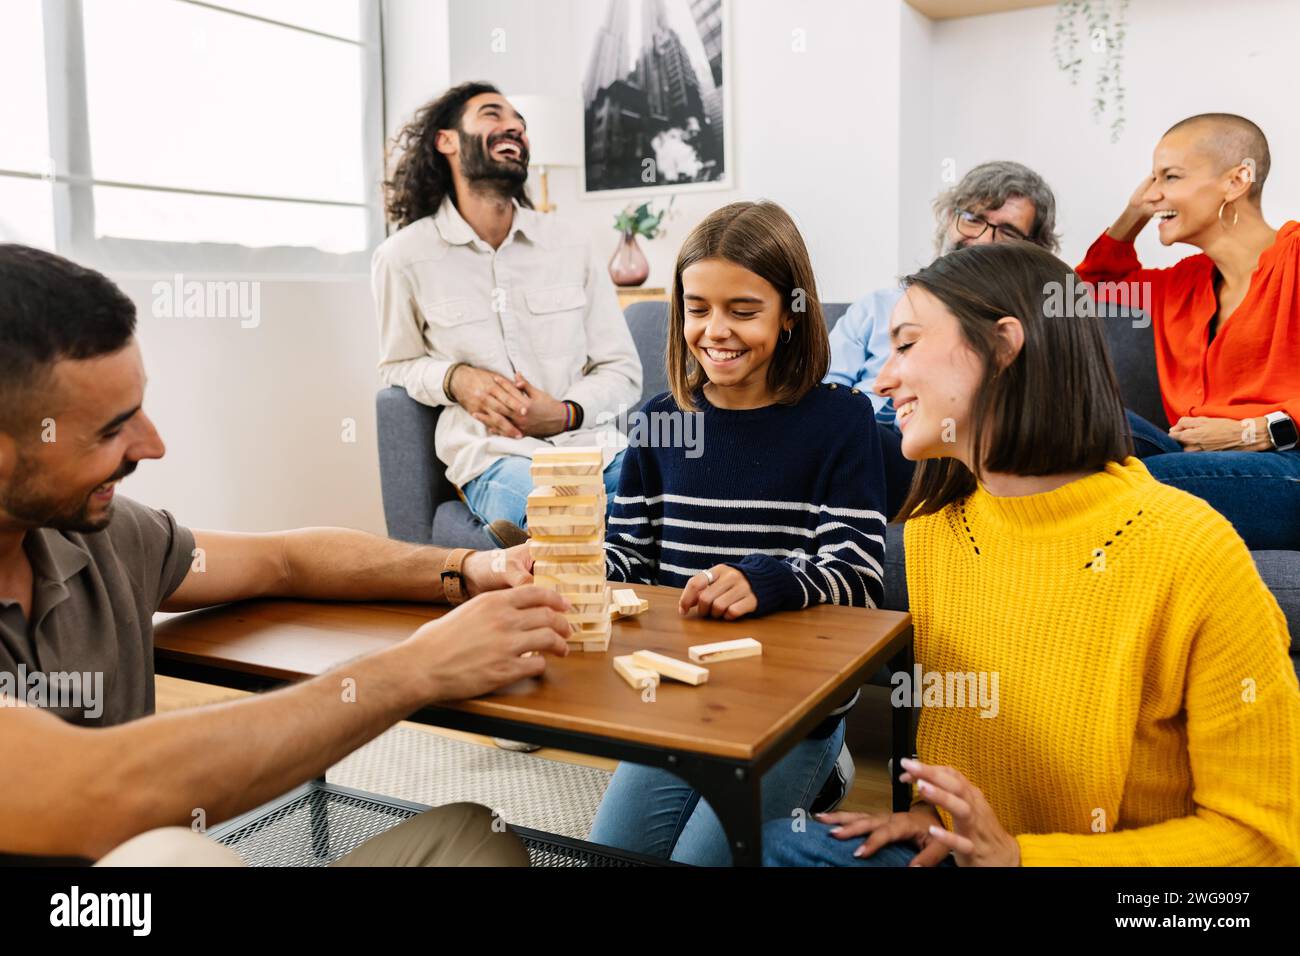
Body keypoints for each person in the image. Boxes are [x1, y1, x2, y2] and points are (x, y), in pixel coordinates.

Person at [0, 244, 573, 866]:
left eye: (140, 408)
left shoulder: (96, 536)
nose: (154, 445)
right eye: (112, 429)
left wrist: (468, 569)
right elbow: (98, 794)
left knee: (471, 840)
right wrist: (419, 668)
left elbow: (286, 560)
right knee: (170, 856)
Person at [762, 241, 1299, 867]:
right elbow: (967, 754)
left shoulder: (1191, 549)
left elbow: (1264, 841)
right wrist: (929, 820)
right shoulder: (938, 534)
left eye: (906, 345)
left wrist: (1022, 858)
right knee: (783, 847)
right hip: (977, 859)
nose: (882, 378)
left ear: (1003, 345)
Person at [588, 201, 889, 866]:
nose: (715, 330)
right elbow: (630, 556)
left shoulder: (841, 419)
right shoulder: (663, 420)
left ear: (791, 314)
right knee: (609, 857)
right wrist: (570, 560)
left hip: (794, 711)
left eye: (743, 311)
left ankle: (827, 770)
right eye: (697, 308)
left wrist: (770, 577)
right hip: (679, 699)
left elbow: (860, 574)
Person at [373, 81, 641, 546]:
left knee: (665, 511)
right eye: (493, 114)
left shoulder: (571, 245)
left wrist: (564, 413)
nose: (514, 126)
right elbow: (397, 364)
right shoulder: (403, 257)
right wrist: (456, 378)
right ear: (446, 140)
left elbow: (622, 369)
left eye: (520, 122)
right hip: (494, 456)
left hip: (592, 447)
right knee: (557, 519)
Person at [1077, 113, 1300, 550]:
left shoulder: (1295, 258)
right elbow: (1079, 293)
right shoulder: (1180, 284)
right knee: (1069, 417)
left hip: (1287, 462)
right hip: (1190, 458)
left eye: (1171, 176)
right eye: (1152, 179)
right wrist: (1134, 214)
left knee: (1116, 488)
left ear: (1237, 180)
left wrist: (1257, 431)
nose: (1154, 192)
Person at [826, 160, 1061, 517]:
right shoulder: (878, 306)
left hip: (935, 451)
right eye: (972, 218)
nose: (983, 239)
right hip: (856, 434)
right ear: (949, 218)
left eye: (1008, 232)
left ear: (1035, 250)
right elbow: (825, 389)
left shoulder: (1029, 327)